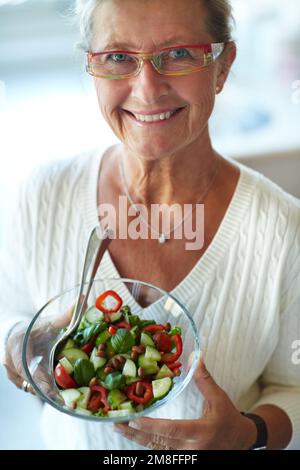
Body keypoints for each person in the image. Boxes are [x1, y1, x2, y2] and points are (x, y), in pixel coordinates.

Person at [1, 0, 300, 450]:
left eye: (178, 53)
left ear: (222, 67)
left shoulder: (283, 231)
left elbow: (295, 386)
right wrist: (19, 341)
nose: (147, 89)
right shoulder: (38, 196)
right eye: (118, 56)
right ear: (92, 67)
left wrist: (248, 433)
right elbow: (11, 314)